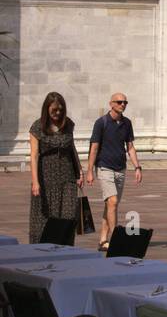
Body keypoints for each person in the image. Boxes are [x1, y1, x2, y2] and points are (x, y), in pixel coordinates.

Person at [86, 92, 142, 251]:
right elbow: (94, 148)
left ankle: (103, 240)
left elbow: (130, 147)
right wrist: (89, 170)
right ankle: (117, 239)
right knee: (113, 202)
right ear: (111, 104)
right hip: (104, 167)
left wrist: (137, 167)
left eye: (125, 102)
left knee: (110, 206)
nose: (122, 105)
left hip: (120, 168)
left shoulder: (127, 123)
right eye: (119, 102)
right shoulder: (101, 123)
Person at [29, 92, 82, 245]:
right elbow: (33, 156)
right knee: (45, 217)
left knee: (68, 215)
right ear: (46, 109)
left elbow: (72, 148)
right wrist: (35, 182)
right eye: (54, 110)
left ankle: (65, 247)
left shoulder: (68, 124)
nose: (57, 113)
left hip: (67, 175)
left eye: (60, 110)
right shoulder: (37, 127)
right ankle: (41, 249)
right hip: (46, 176)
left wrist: (80, 172)